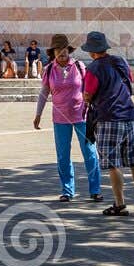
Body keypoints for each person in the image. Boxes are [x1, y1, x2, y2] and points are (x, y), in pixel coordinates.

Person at [80, 32, 134, 216]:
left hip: (108, 118)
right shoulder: (121, 62)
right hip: (129, 116)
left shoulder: (93, 69)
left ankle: (120, 204)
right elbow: (129, 82)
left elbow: (87, 94)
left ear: (91, 51)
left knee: (113, 164)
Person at [34, 35, 102, 202]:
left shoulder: (79, 66)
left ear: (69, 50)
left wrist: (96, 109)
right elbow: (44, 93)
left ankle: (95, 189)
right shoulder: (49, 69)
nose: (61, 53)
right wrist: (38, 115)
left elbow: (90, 87)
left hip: (82, 116)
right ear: (53, 53)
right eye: (58, 50)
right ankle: (67, 190)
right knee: (63, 156)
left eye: (64, 49)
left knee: (90, 153)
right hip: (60, 118)